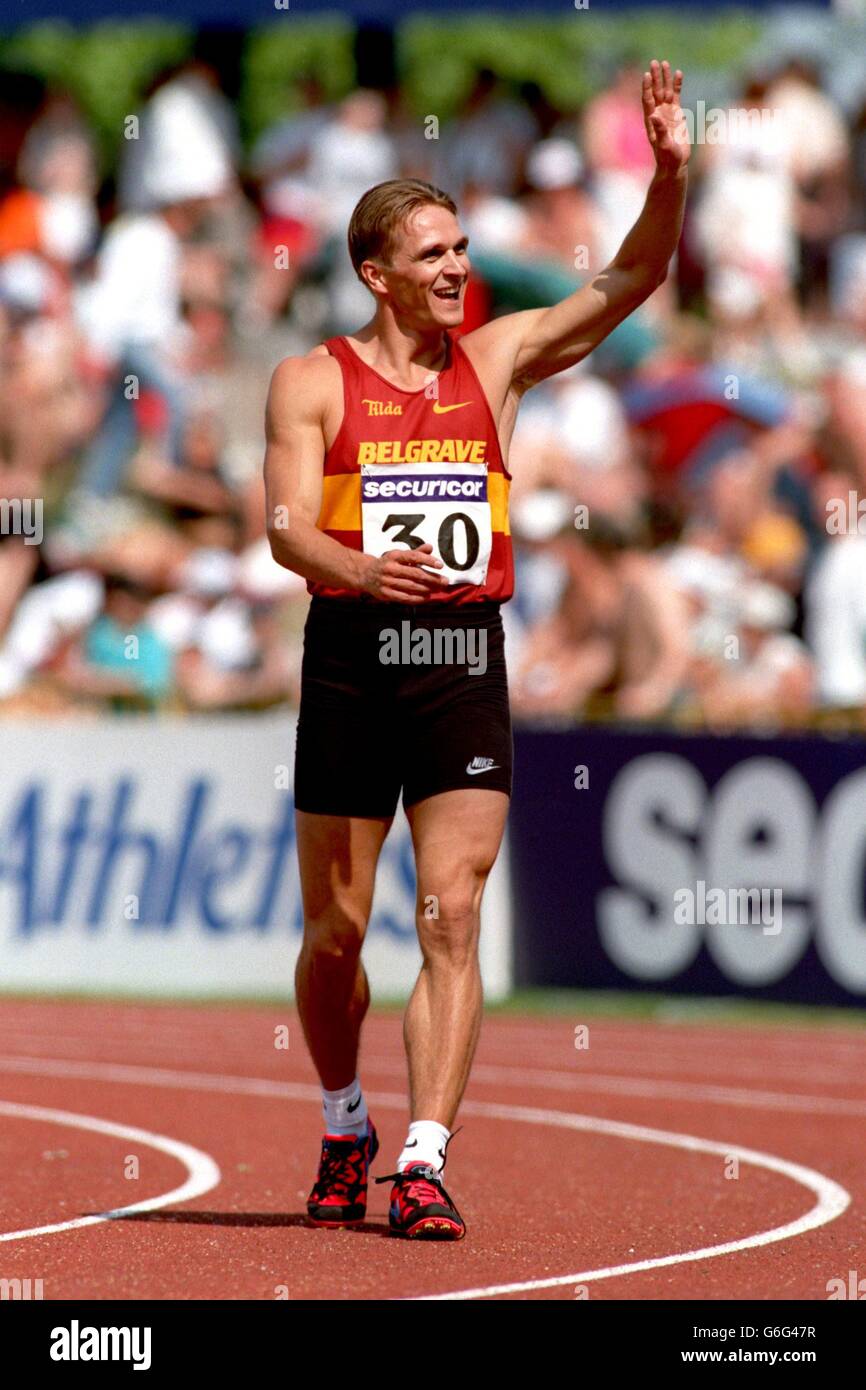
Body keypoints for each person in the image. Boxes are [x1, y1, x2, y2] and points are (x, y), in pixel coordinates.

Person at [263, 61, 690, 1241]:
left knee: (450, 913)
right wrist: (358, 569)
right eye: (434, 254)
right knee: (333, 935)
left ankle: (422, 1156)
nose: (458, 269)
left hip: (458, 660)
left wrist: (665, 175)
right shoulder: (309, 381)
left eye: (461, 250)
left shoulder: (494, 364)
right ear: (374, 274)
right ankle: (344, 1115)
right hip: (351, 657)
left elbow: (632, 275)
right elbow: (283, 523)